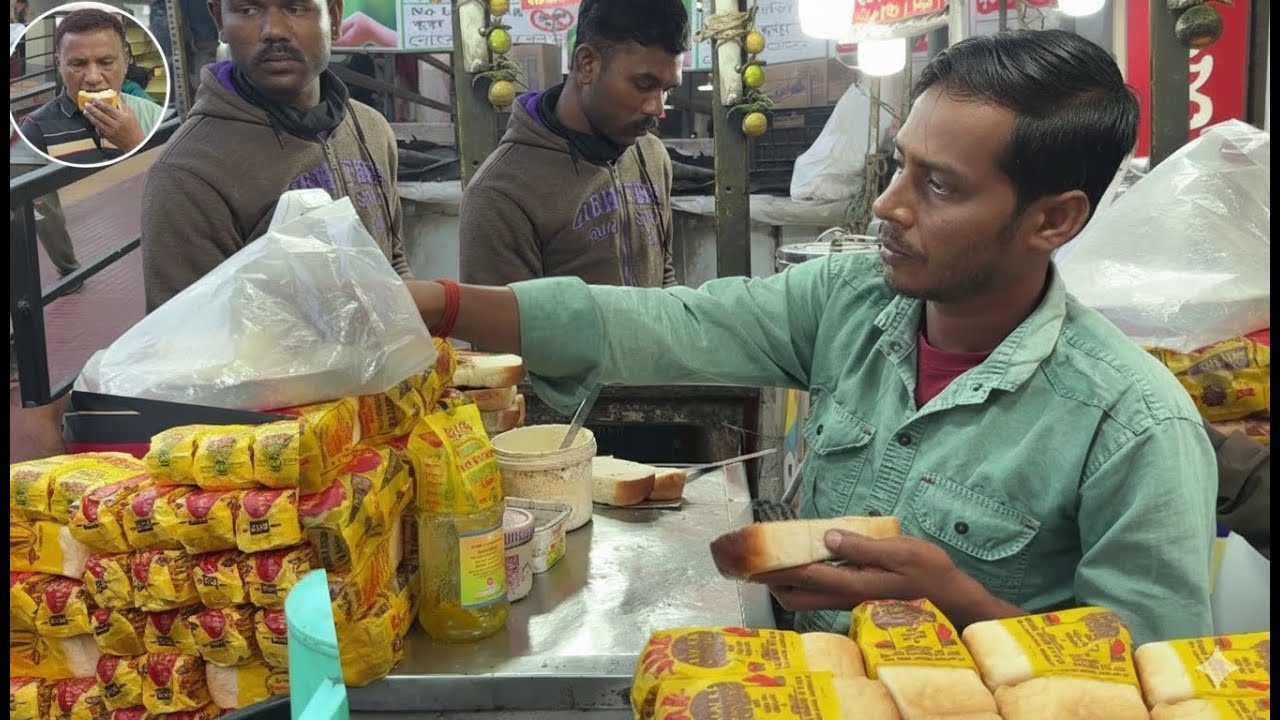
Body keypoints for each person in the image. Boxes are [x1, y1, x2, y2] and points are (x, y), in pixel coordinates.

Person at [408, 31, 1218, 645]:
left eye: (939, 186)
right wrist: (437, 305)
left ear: (1053, 219)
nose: (889, 206)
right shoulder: (850, 302)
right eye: (899, 166)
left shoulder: (1133, 426)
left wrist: (958, 605)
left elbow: (1157, 679)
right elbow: (666, 323)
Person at [139, 0, 411, 313]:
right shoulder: (188, 174)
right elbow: (186, 333)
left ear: (334, 16)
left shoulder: (372, 130)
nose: (274, 31)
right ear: (219, 21)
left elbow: (394, 262)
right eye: (248, 10)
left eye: (295, 8)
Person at [458, 0, 686, 288]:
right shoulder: (501, 194)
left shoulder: (652, 155)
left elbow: (664, 278)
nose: (657, 108)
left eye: (667, 90)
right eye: (644, 84)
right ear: (587, 64)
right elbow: (494, 317)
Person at [17, 8, 164, 165]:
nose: (93, 78)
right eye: (78, 64)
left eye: (106, 63)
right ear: (59, 64)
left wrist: (134, 143)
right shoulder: (34, 129)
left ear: (126, 60)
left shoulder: (154, 115)